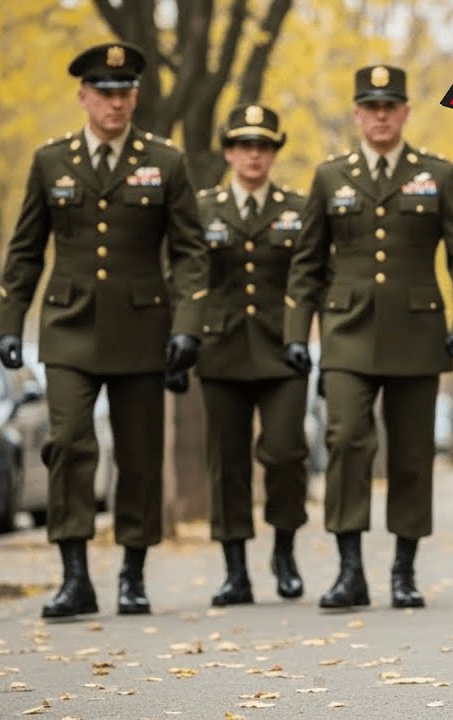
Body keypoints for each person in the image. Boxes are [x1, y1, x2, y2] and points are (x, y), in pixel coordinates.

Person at [0, 42, 208, 618]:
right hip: (70, 327)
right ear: (83, 96)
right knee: (68, 442)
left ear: (135, 96)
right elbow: (25, 250)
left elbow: (190, 253)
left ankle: (133, 575)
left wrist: (188, 326)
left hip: (143, 329)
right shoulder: (51, 161)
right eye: (105, 92)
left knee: (138, 456)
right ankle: (75, 577)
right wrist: (10, 322)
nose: (116, 103)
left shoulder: (165, 162)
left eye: (125, 92)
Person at [282, 64, 453, 610]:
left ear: (404, 112)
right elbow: (306, 263)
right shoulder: (330, 177)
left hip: (418, 335)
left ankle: (404, 570)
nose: (380, 117)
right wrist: (297, 333)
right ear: (357, 114)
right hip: (346, 334)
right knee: (346, 441)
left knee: (412, 454)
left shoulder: (437, 174)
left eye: (389, 107)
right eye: (371, 108)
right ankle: (349, 570)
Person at [183, 104, 309, 606]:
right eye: (243, 145)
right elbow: (187, 275)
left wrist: (305, 334)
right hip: (222, 349)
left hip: (284, 350)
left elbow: (310, 276)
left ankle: (284, 550)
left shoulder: (298, 208)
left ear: (274, 153)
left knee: (285, 453)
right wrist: (184, 337)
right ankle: (234, 570)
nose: (253, 155)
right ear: (228, 152)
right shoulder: (203, 208)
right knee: (227, 461)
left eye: (263, 146)